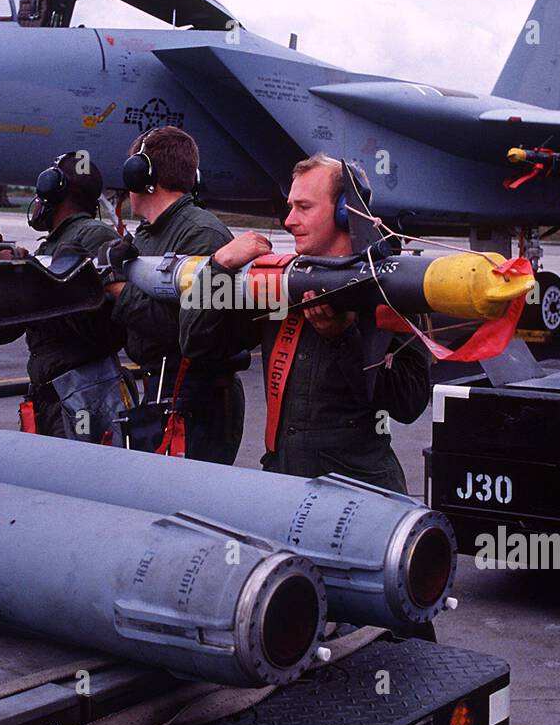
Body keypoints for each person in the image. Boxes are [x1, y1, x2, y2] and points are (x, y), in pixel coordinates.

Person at [180, 152, 429, 492]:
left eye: (304, 207)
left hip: (358, 491)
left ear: (346, 212)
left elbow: (409, 402)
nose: (289, 220)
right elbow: (198, 343)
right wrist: (218, 268)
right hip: (285, 485)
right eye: (290, 206)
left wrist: (344, 338)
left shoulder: (387, 286)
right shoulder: (280, 283)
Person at [103, 126, 246, 463]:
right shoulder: (151, 236)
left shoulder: (203, 235)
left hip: (196, 398)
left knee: (189, 502)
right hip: (163, 388)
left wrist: (118, 290)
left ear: (141, 174)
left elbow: (189, 331)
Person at [0, 151, 133, 440]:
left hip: (83, 395)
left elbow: (104, 330)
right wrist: (0, 275)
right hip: (53, 397)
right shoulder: (52, 247)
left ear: (54, 188)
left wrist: (40, 281)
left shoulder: (92, 236)